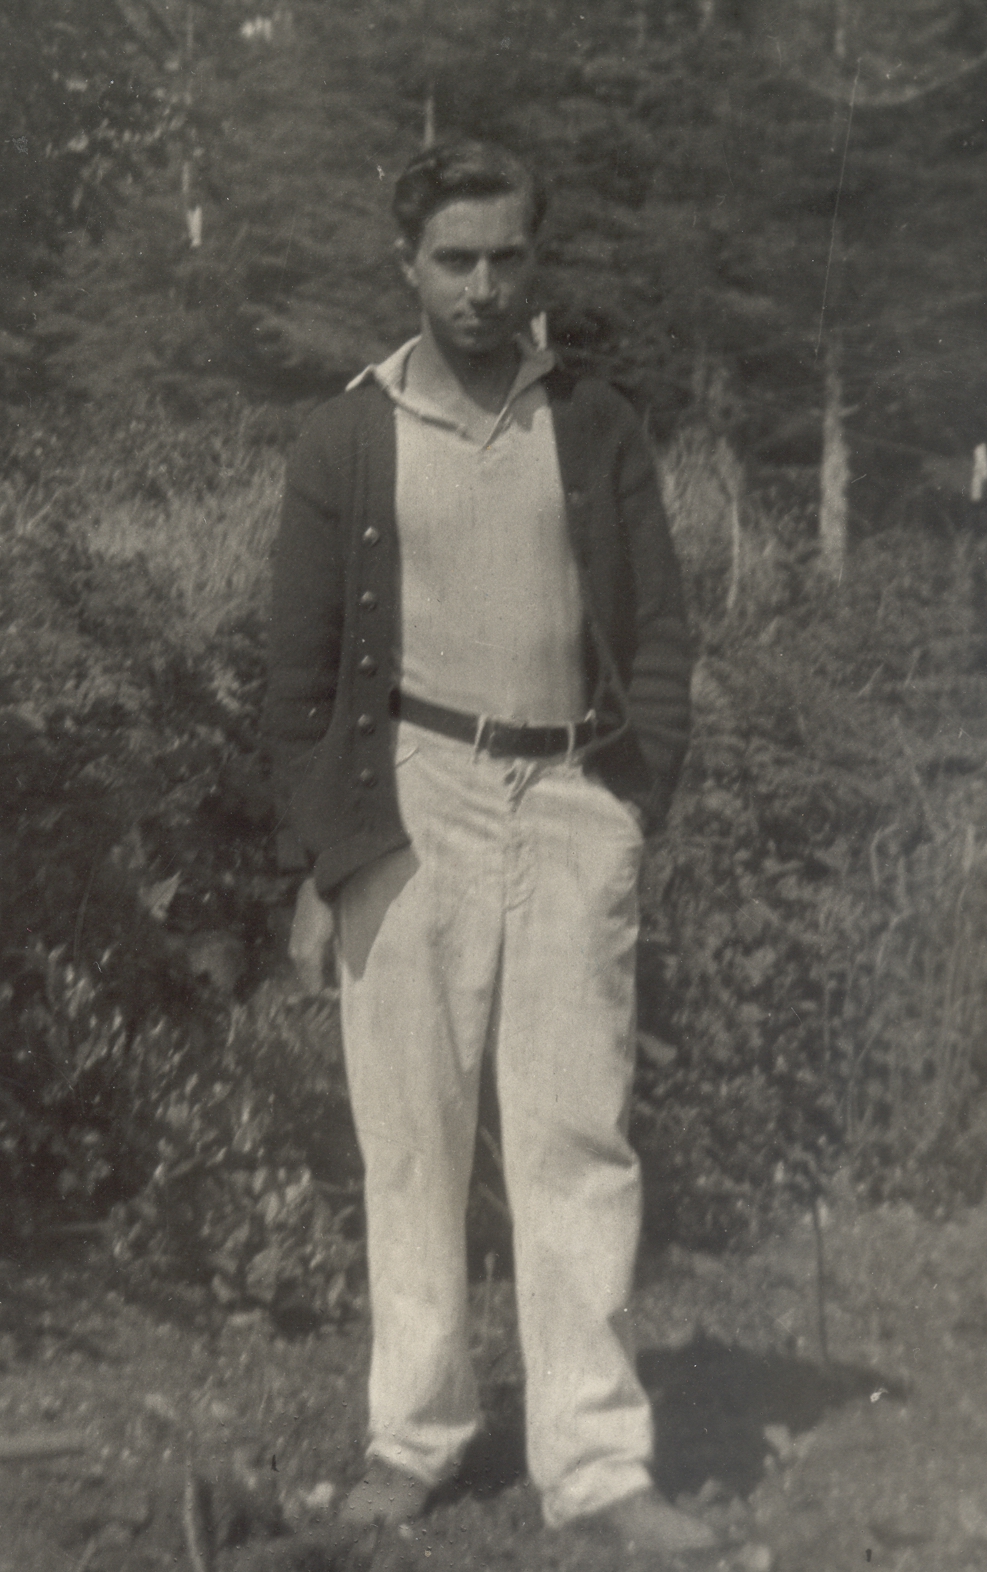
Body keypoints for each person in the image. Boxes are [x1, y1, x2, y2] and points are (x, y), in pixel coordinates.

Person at [263, 139, 715, 1562]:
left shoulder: (592, 422)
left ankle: (594, 1461)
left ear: (538, 261)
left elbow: (655, 631)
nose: (481, 286)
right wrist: (331, 855)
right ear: (406, 266)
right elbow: (299, 679)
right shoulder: (351, 436)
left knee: (578, 1136)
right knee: (413, 1139)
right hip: (412, 800)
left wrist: (633, 800)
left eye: (506, 257)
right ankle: (417, 1439)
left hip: (572, 791)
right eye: (453, 259)